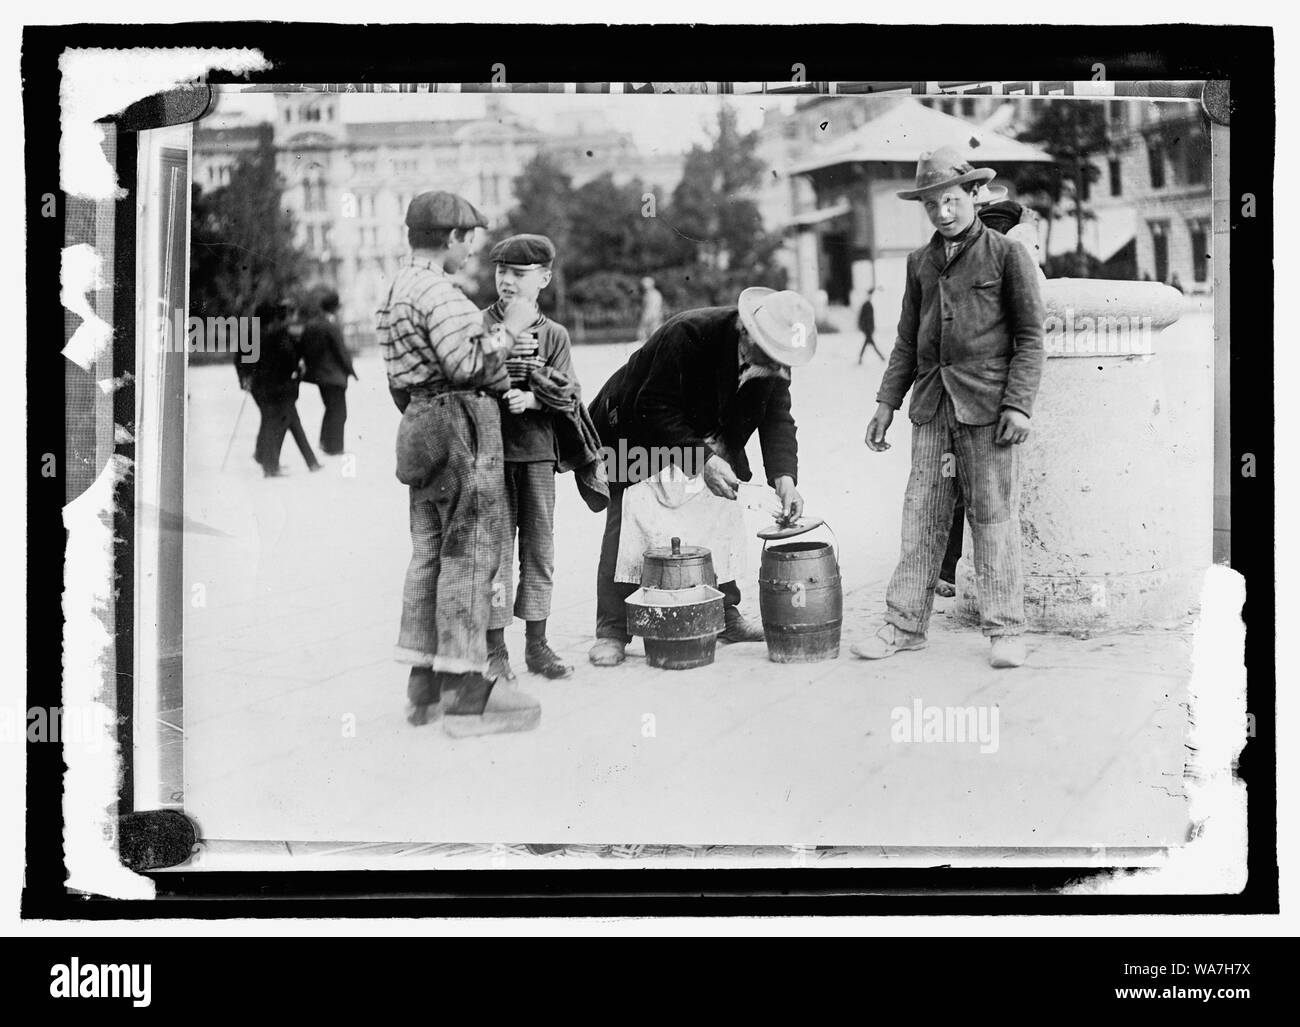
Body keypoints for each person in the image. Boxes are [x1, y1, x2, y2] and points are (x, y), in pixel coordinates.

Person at [855, 146, 1044, 669]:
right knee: (922, 517)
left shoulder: (1008, 255)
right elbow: (904, 341)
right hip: (933, 408)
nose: (942, 212)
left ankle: (1006, 631)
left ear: (975, 196)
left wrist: (1019, 405)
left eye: (952, 200)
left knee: (993, 518)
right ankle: (903, 626)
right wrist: (886, 403)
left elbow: (1031, 339)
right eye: (932, 204)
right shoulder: (920, 263)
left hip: (989, 409)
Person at [378, 190, 543, 736]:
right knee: (470, 554)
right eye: (468, 239)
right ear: (450, 238)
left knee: (428, 551)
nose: (472, 251)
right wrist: (513, 325)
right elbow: (468, 362)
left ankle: (422, 685)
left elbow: (399, 381)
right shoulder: (439, 291)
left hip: (419, 422)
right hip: (460, 424)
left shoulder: (397, 288)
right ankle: (466, 689)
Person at [587, 287, 812, 667]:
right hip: (634, 425)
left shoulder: (774, 359)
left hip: (704, 432)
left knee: (718, 510)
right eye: (770, 357)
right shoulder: (689, 334)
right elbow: (652, 407)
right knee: (628, 518)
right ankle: (612, 630)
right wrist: (703, 460)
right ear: (746, 332)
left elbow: (777, 419)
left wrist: (785, 478)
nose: (776, 368)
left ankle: (725, 615)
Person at [481, 234, 576, 683]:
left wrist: (535, 402)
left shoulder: (554, 334)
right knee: (494, 552)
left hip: (538, 453)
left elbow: (570, 393)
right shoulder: (481, 325)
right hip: (490, 455)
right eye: (501, 271)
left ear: (544, 278)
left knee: (539, 549)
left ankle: (537, 645)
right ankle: (495, 650)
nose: (507, 281)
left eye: (519, 274)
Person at [237, 298, 321, 477]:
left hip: (259, 386)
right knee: (275, 421)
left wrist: (245, 378)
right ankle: (270, 465)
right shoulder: (275, 333)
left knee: (284, 420)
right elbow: (287, 357)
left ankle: (304, 461)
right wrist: (296, 371)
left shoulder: (251, 331)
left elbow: (240, 360)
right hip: (277, 386)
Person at [299, 286, 357, 455]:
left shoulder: (311, 325)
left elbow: (304, 348)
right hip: (334, 375)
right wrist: (351, 370)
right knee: (339, 412)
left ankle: (325, 442)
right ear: (334, 308)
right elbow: (341, 351)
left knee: (330, 408)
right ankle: (335, 447)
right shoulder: (331, 326)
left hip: (320, 375)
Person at [857, 289, 884, 363]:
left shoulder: (869, 304)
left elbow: (871, 318)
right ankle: (882, 357)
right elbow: (862, 317)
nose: (870, 296)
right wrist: (863, 327)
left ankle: (860, 359)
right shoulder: (866, 305)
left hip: (869, 328)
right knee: (870, 343)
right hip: (867, 328)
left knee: (868, 343)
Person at [637, 276, 664, 342]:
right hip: (653, 316)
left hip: (652, 316)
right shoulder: (652, 294)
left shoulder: (653, 294)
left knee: (648, 334)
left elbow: (653, 308)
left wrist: (646, 317)